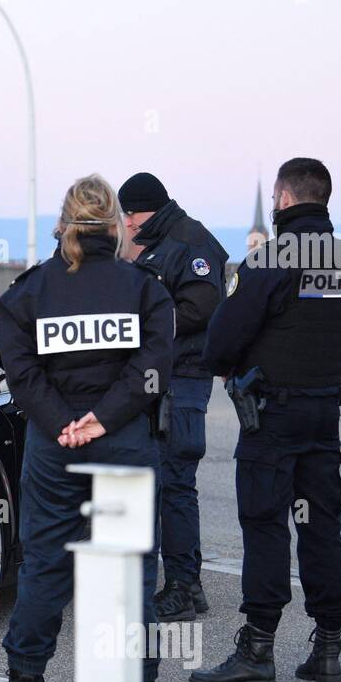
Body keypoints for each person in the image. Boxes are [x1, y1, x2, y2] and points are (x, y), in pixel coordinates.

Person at [0, 174, 176, 682]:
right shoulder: (144, 288)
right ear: (116, 223)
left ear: (63, 224)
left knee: (46, 563)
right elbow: (154, 370)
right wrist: (104, 418)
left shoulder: (27, 293)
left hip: (55, 448)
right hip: (122, 442)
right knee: (132, 568)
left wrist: (64, 423)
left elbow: (21, 375)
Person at [191, 157, 341, 682]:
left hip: (272, 416)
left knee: (266, 522)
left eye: (274, 199)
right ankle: (328, 647)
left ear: (285, 199)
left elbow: (219, 342)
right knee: (320, 524)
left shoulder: (268, 260)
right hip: (323, 413)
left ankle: (258, 651)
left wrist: (238, 365)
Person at [119, 173, 229, 623]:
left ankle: (183, 587)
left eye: (130, 214)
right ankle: (188, 585)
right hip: (162, 378)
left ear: (150, 209)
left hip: (183, 378)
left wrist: (146, 325)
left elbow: (202, 308)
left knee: (175, 482)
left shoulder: (190, 242)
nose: (126, 223)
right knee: (164, 483)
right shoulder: (162, 239)